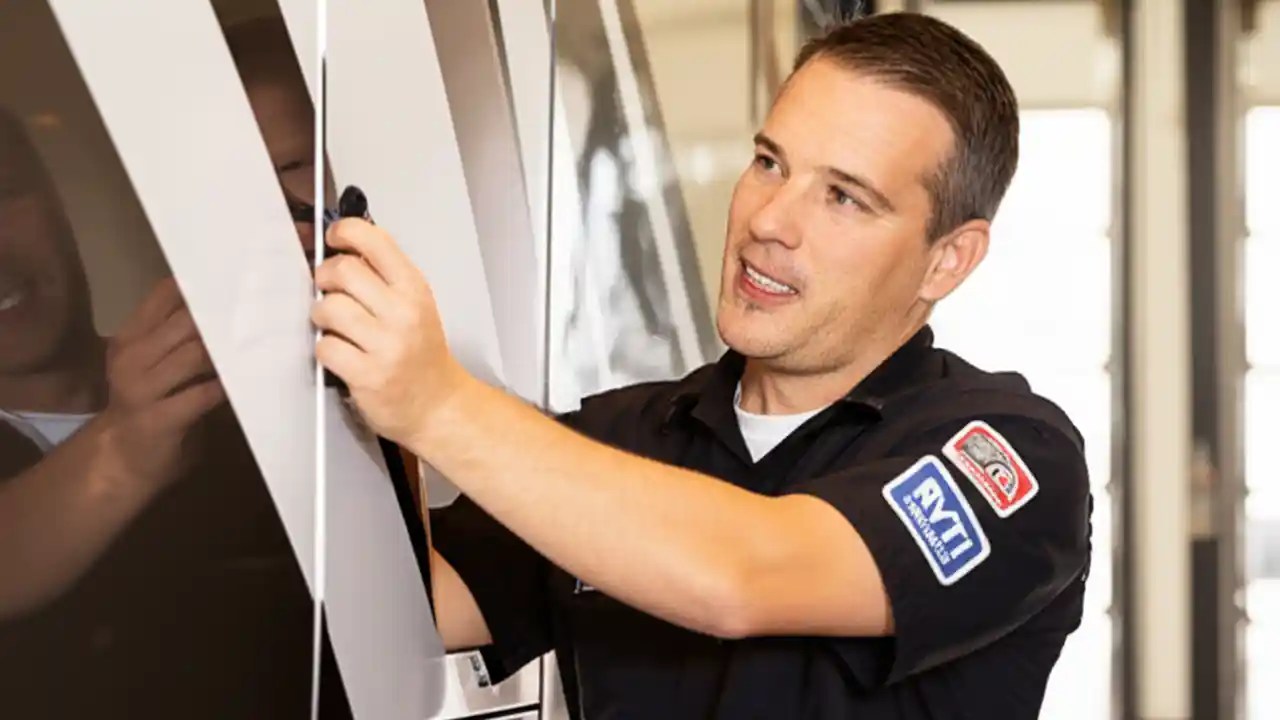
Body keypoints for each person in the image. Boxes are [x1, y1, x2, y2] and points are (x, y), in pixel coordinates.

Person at [314, 11, 1092, 720]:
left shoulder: (1011, 457)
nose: (769, 221)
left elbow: (743, 575)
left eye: (844, 198)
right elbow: (418, 603)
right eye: (769, 162)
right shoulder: (616, 438)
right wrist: (363, 386)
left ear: (946, 262)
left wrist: (437, 404)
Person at [0, 15, 337, 718]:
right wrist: (127, 444)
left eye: (3, 196)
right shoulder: (158, 415)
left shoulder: (252, 391)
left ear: (55, 201)